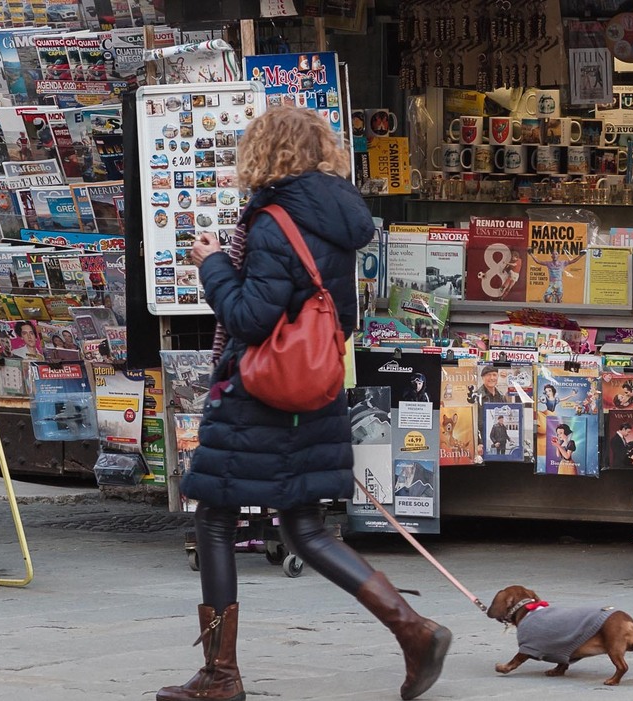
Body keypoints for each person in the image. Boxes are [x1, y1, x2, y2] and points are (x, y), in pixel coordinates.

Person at [158, 107, 451, 701]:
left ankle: (220, 674)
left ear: (265, 153)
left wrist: (211, 263)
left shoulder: (272, 220)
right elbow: (335, 315)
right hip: (311, 388)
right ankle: (413, 629)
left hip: (259, 395)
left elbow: (249, 316)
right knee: (305, 526)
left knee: (214, 515)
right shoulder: (339, 217)